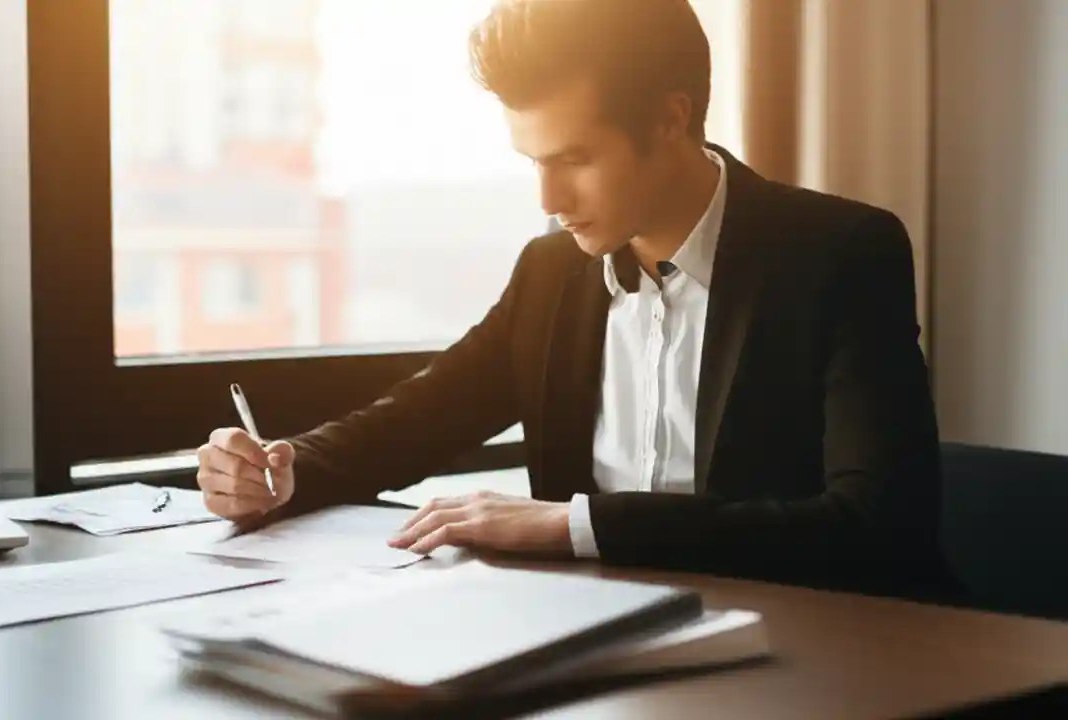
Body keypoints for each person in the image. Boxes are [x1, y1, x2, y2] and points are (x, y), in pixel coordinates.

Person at [196, 0, 950, 595]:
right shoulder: (552, 272)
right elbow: (419, 418)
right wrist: (288, 467)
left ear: (670, 119)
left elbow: (873, 527)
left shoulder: (840, 255)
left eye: (575, 159)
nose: (549, 197)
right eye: (532, 161)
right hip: (598, 649)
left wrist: (574, 527)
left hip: (821, 654)